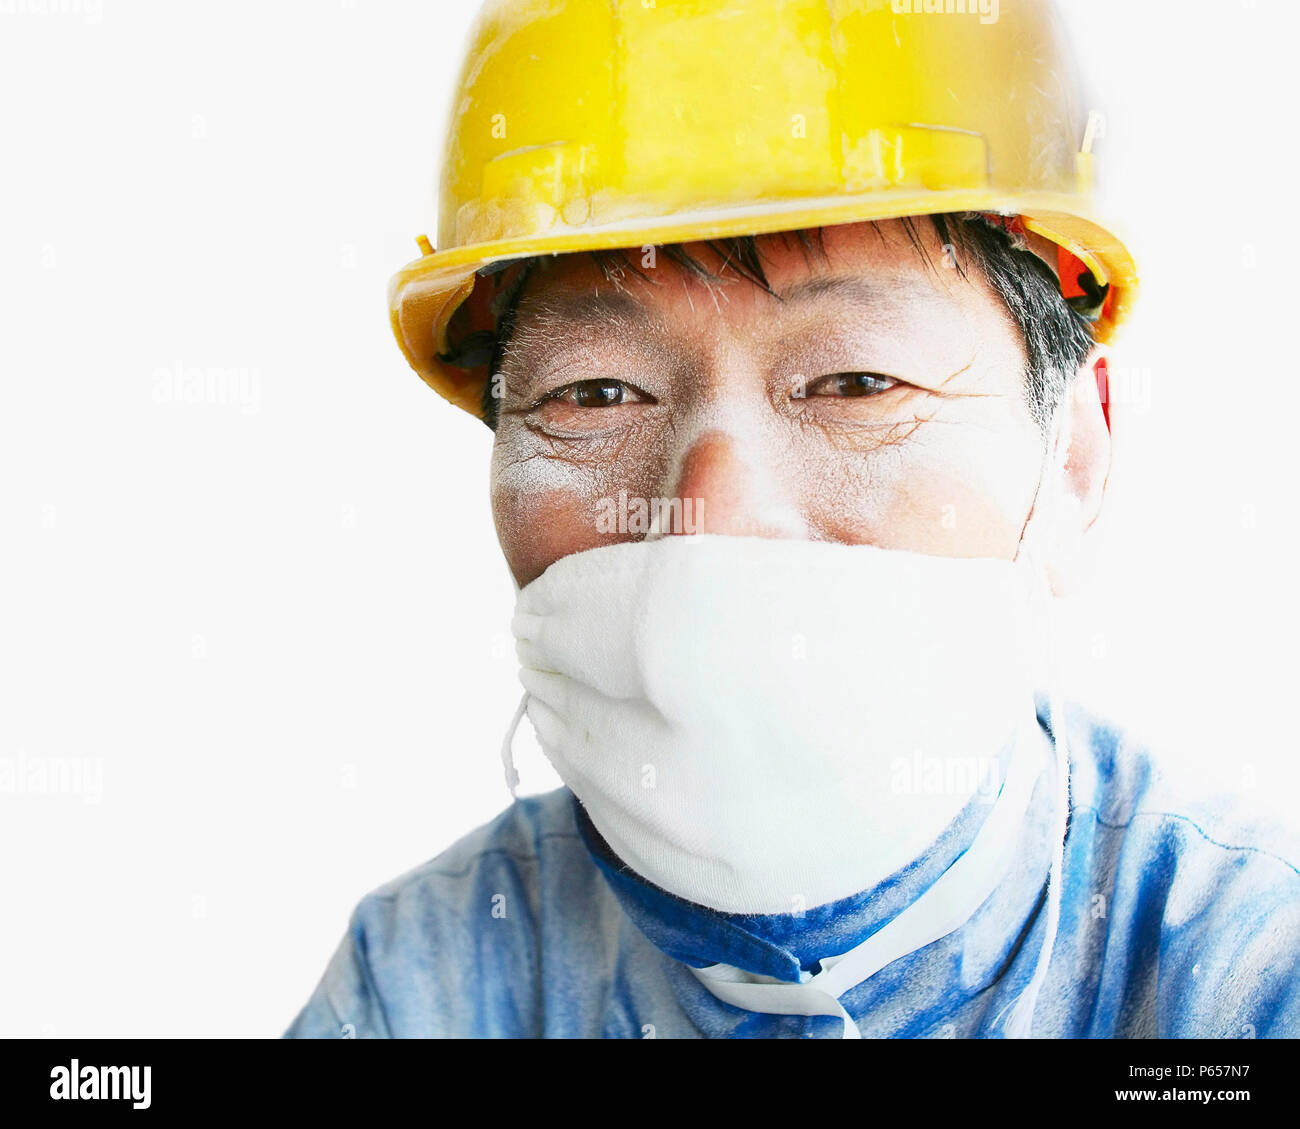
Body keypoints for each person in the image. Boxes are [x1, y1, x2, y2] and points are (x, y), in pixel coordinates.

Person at [285, 0, 1299, 1038]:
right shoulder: (420, 989)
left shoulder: (1244, 980)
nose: (710, 518)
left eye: (857, 380)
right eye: (594, 394)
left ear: (1074, 456)